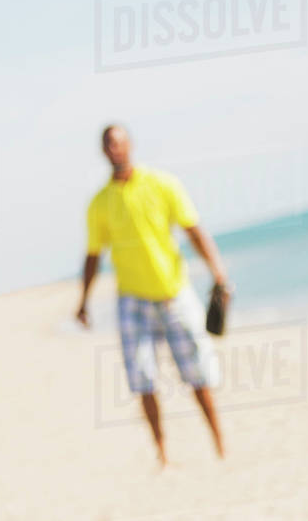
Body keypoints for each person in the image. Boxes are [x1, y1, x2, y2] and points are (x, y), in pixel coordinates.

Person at [75, 124, 230, 465]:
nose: (114, 149)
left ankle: (219, 442)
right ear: (104, 152)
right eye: (108, 145)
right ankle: (162, 453)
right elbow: (93, 256)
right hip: (132, 299)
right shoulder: (99, 203)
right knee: (142, 378)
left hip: (174, 291)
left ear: (130, 144)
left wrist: (218, 272)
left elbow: (193, 229)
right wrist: (83, 303)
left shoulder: (162, 184)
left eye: (118, 142)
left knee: (197, 373)